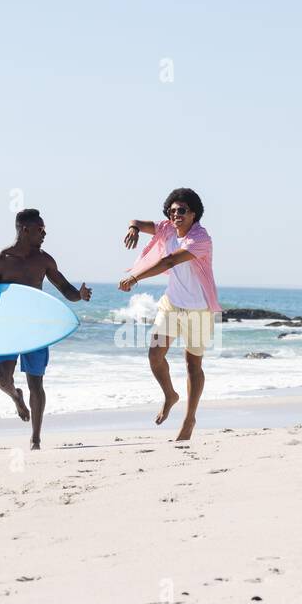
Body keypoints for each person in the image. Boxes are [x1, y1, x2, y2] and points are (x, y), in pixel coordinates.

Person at [0, 209, 91, 449]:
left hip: (35, 329)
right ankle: (16, 397)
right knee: (2, 379)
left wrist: (79, 295)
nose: (45, 234)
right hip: (6, 328)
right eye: (40, 229)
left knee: (36, 384)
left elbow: (65, 289)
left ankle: (35, 438)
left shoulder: (44, 260)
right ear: (24, 230)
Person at [119, 187, 220, 442]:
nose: (176, 215)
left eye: (182, 210)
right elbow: (137, 222)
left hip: (198, 309)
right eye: (172, 211)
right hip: (172, 304)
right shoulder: (166, 229)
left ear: (193, 214)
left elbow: (169, 262)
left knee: (192, 365)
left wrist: (134, 277)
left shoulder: (201, 239)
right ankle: (170, 395)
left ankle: (189, 418)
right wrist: (133, 228)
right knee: (154, 355)